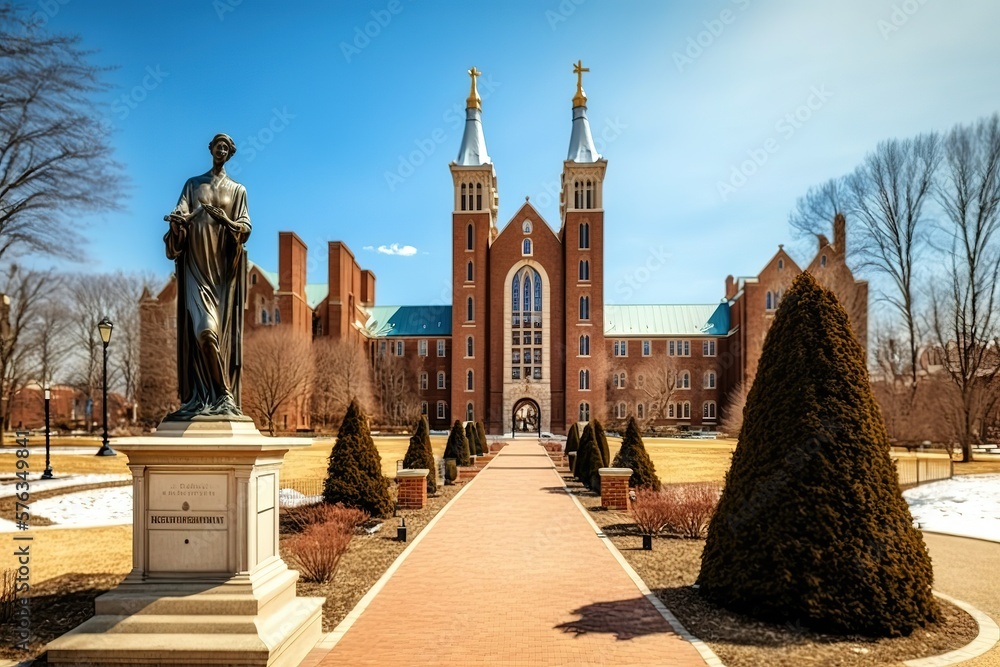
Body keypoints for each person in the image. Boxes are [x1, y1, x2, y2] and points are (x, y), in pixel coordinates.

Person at [163, 133, 251, 420]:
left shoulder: (237, 190)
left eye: (226, 147)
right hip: (195, 272)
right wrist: (178, 222)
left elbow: (244, 227)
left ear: (230, 153)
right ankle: (217, 393)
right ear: (211, 149)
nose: (221, 150)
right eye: (218, 146)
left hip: (222, 276)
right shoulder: (192, 185)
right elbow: (181, 215)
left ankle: (221, 396)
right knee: (204, 331)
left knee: (214, 333)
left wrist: (224, 219)